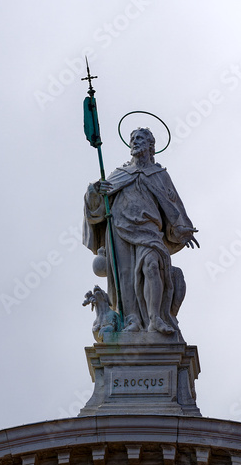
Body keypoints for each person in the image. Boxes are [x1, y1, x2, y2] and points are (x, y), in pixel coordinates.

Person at [83, 127, 198, 335]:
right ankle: (131, 319)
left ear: (151, 146)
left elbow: (173, 204)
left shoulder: (159, 174)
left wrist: (182, 228)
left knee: (152, 266)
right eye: (133, 139)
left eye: (140, 138)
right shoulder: (121, 173)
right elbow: (99, 200)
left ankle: (155, 319)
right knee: (125, 274)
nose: (135, 142)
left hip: (149, 230)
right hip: (119, 228)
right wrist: (94, 190)